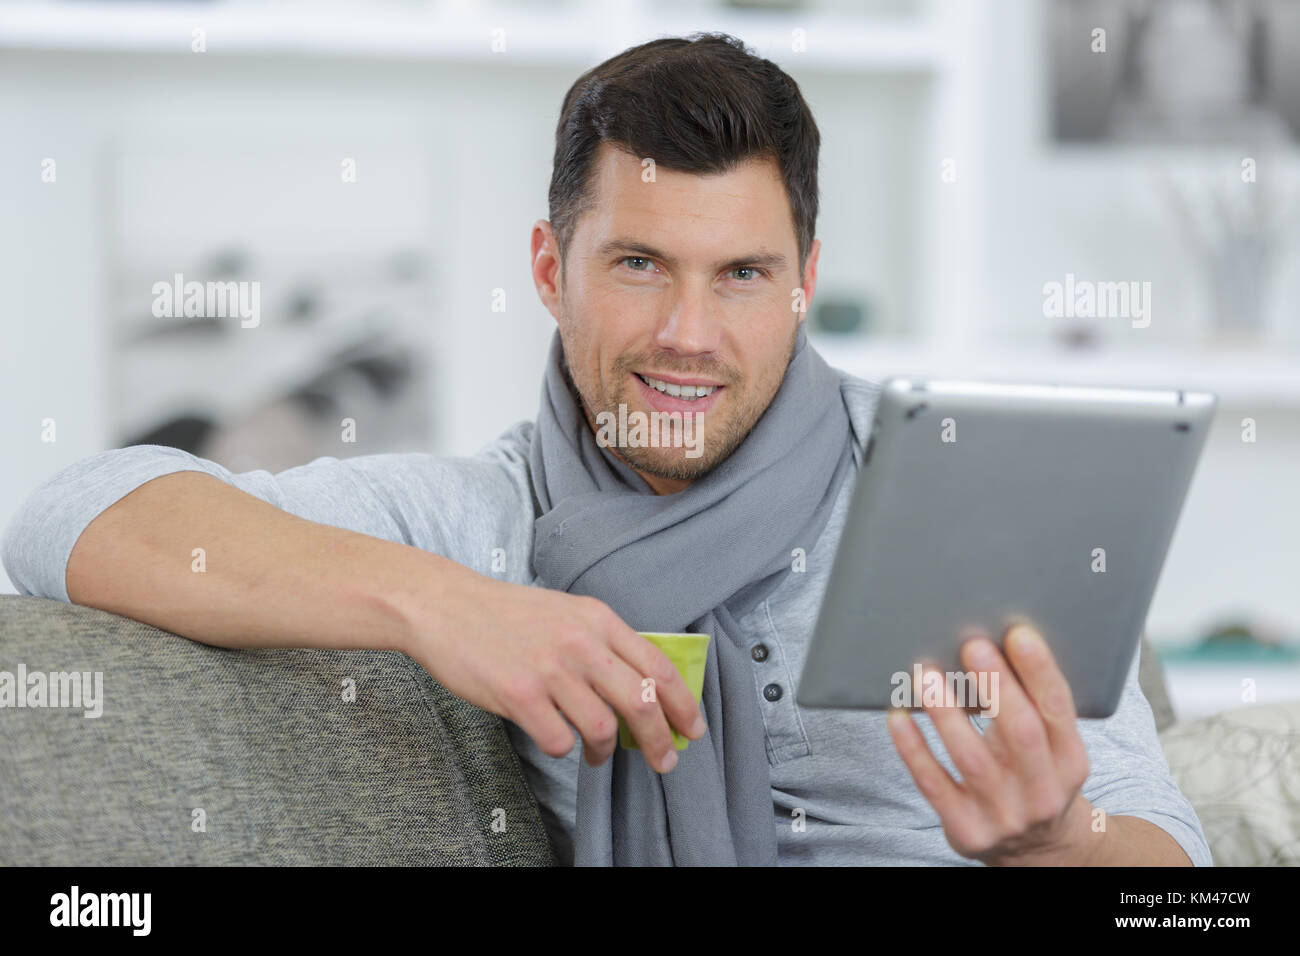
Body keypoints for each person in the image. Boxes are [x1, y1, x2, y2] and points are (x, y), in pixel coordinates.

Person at [1, 33, 1210, 867]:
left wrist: (1060, 840)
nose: (689, 336)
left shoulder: (966, 494)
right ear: (549, 270)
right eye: (639, 264)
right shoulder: (481, 521)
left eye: (743, 274)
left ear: (804, 285)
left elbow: (1181, 887)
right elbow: (73, 514)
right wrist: (444, 606)